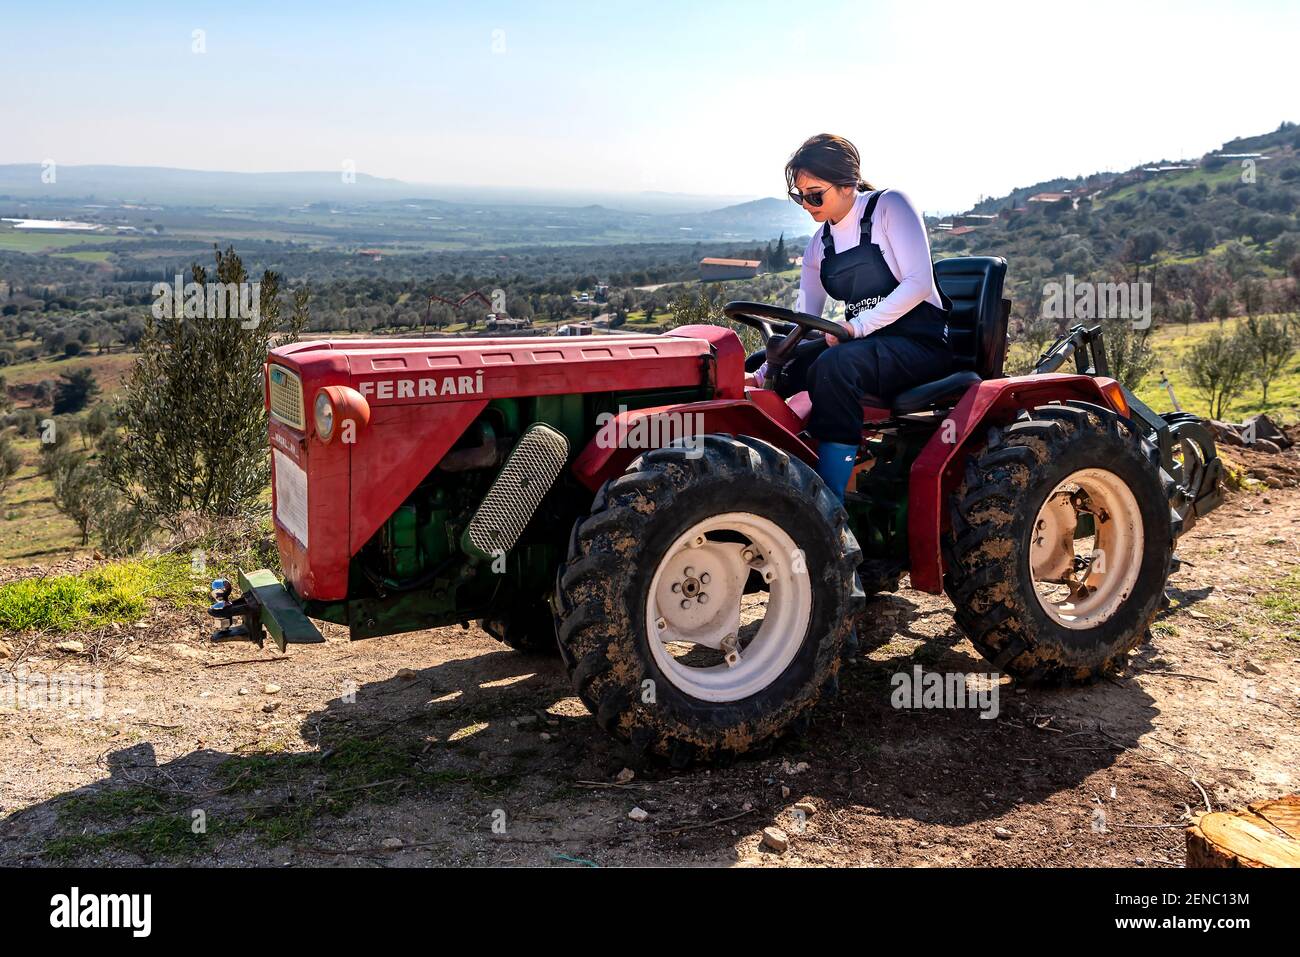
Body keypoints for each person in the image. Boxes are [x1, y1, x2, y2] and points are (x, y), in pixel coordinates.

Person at [756, 133, 953, 500]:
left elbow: (919, 283)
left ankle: (828, 506)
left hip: (919, 343)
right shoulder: (819, 244)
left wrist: (857, 327)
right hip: (867, 345)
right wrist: (768, 366)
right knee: (782, 364)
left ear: (847, 184)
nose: (806, 204)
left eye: (815, 194)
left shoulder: (888, 207)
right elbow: (805, 318)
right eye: (799, 196)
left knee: (835, 366)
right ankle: (777, 487)